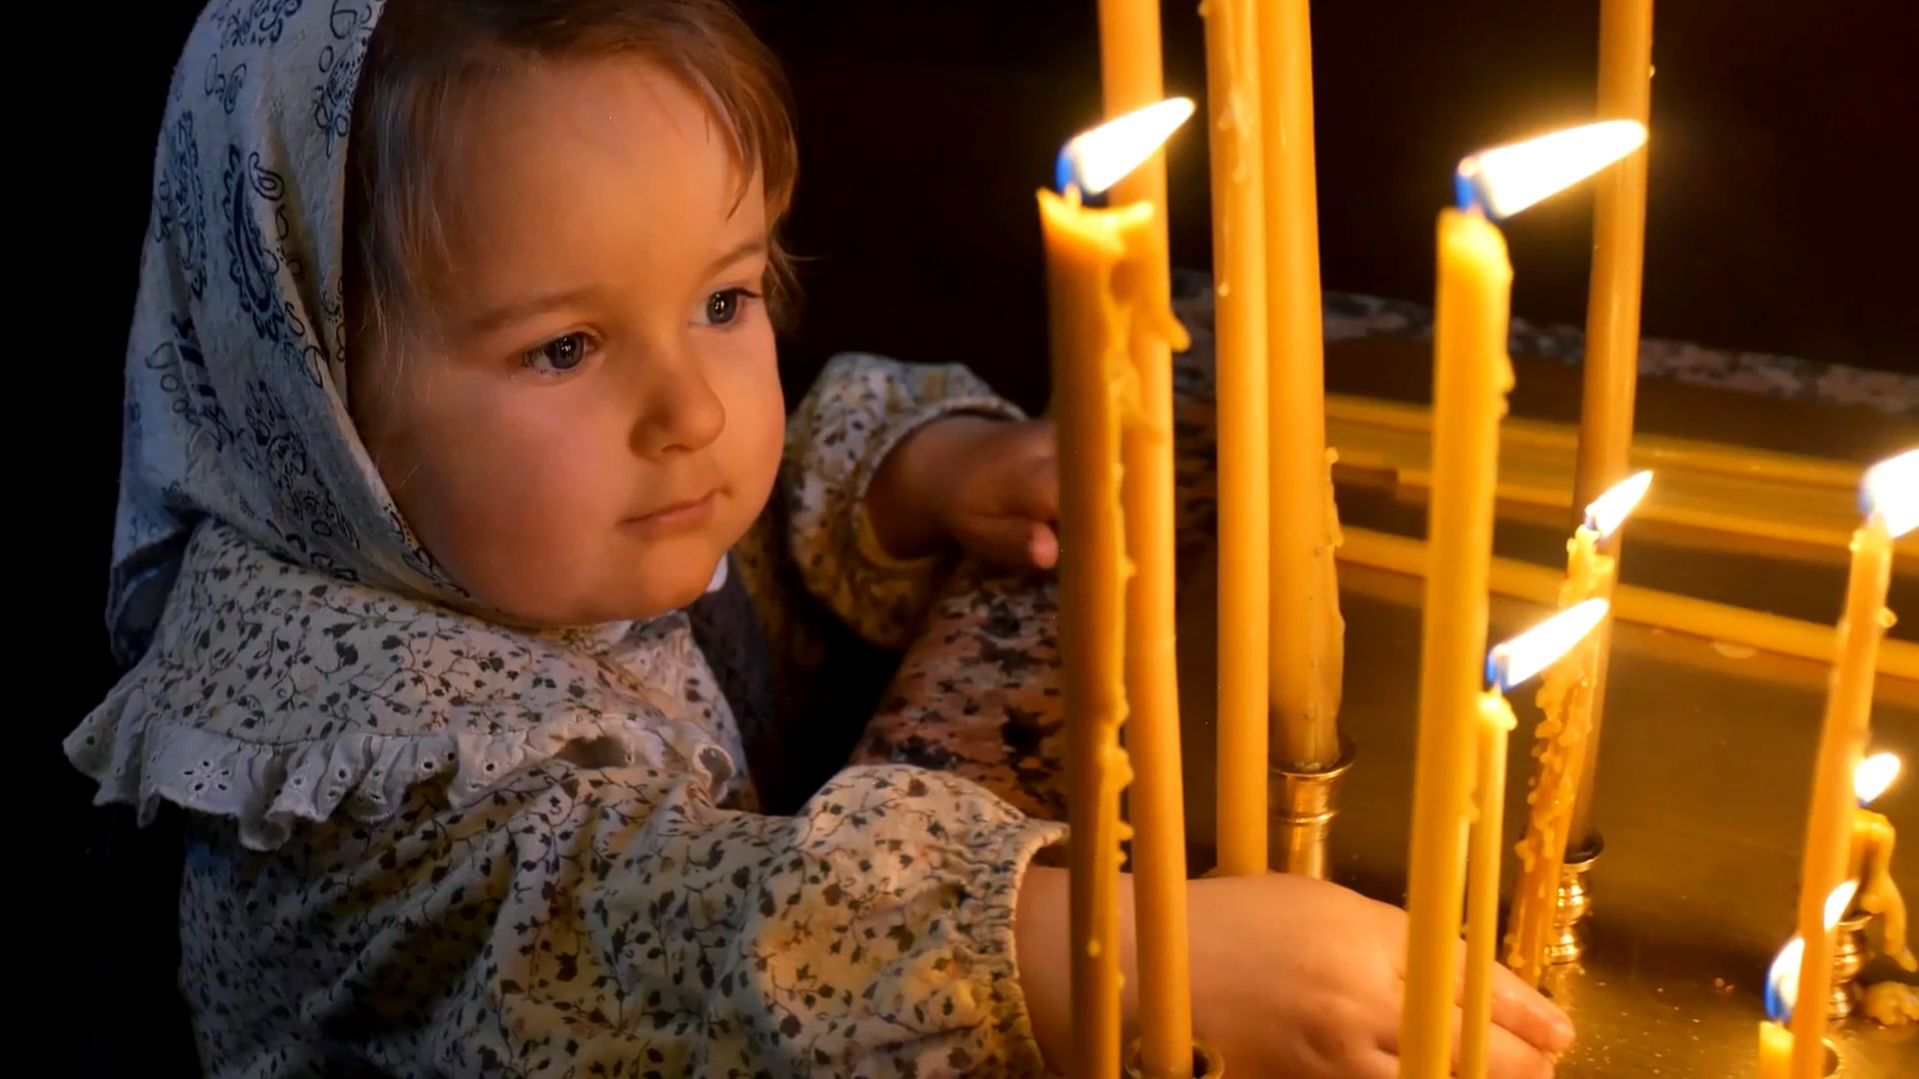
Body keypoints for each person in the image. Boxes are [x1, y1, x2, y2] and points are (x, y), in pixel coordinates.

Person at [67, 1, 1572, 1074]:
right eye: (564, 350)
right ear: (310, 393)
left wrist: (922, 475)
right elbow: (643, 943)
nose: (693, 418)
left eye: (723, 302)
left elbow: (737, 562)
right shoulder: (338, 743)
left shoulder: (536, 527)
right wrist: (1080, 952)